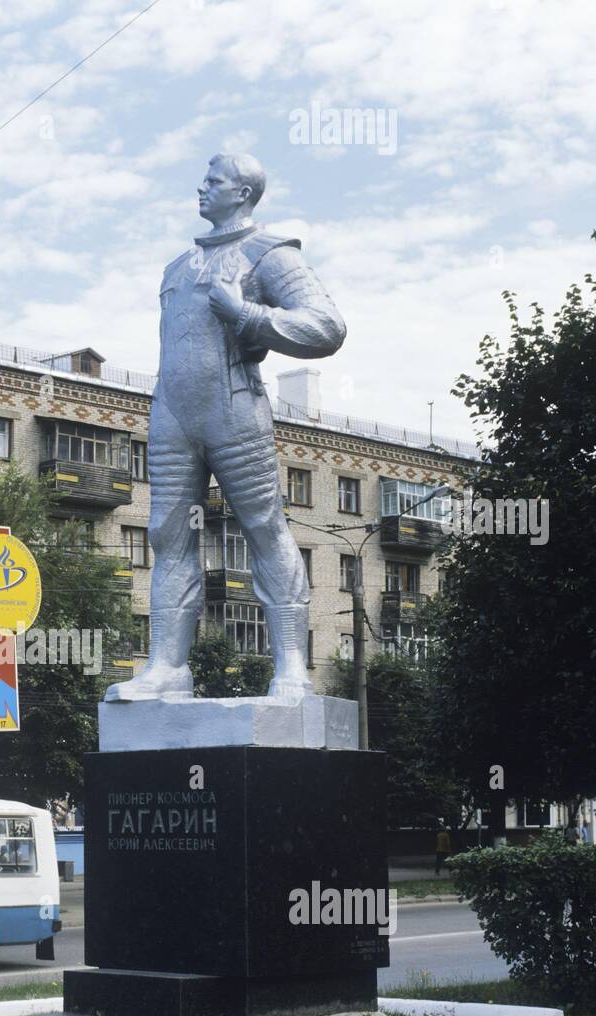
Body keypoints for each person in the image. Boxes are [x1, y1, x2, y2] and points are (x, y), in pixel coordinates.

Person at [107, 152, 345, 705]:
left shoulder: (269, 254)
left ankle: (290, 668)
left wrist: (248, 317)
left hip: (235, 408)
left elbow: (326, 327)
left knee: (263, 528)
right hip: (172, 413)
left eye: (213, 181)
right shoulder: (176, 267)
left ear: (242, 192)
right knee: (168, 535)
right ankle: (167, 667)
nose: (201, 188)